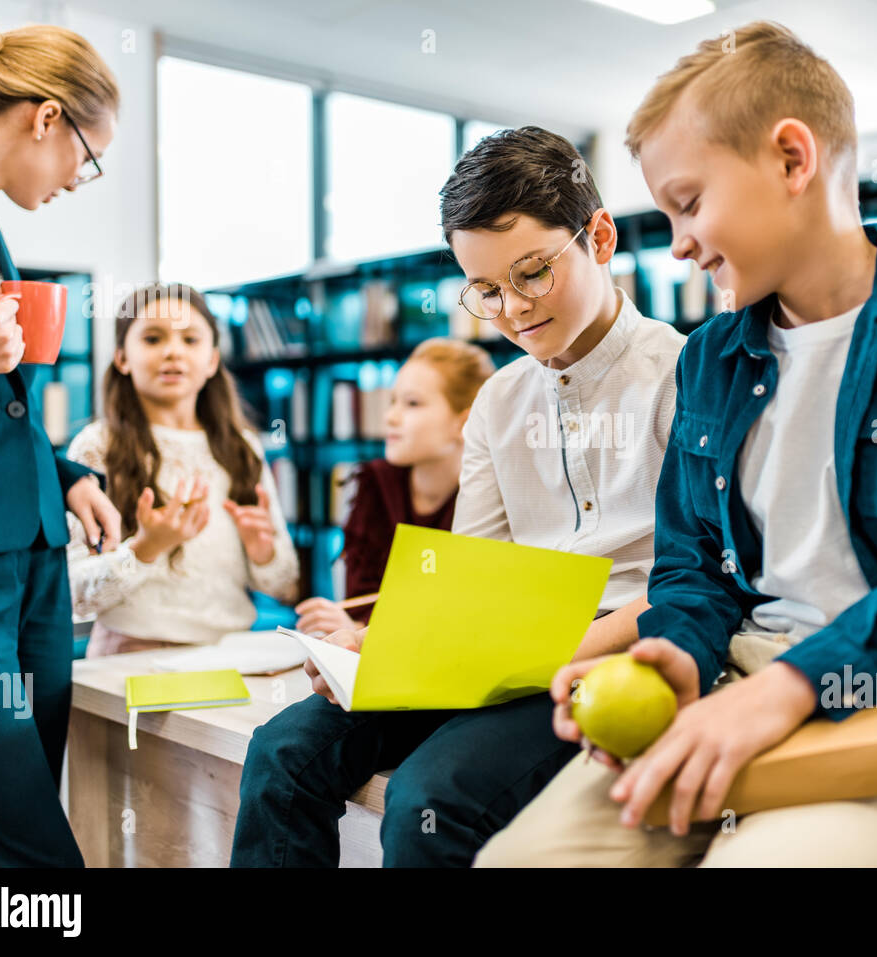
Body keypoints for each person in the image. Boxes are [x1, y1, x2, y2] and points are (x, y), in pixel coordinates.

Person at [476, 21, 877, 867]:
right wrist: (675, 653)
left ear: (791, 159)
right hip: (738, 681)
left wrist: (794, 685)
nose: (677, 242)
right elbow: (692, 570)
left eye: (689, 202)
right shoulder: (711, 357)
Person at [231, 127, 685, 867]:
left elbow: (695, 581)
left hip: (617, 652)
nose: (511, 309)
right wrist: (379, 650)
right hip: (507, 645)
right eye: (486, 291)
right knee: (281, 751)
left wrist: (545, 654)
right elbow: (470, 574)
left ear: (599, 237)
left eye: (533, 273)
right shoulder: (499, 401)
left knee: (430, 799)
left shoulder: (684, 376)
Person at [0, 19, 121, 866]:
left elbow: (1, 408)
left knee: (9, 833)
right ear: (46, 117)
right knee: (27, 853)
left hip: (33, 556)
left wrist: (69, 473)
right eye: (88, 154)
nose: (82, 180)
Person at [66, 283, 299, 655]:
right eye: (154, 338)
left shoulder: (243, 447)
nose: (173, 351)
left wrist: (263, 553)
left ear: (212, 360)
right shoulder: (96, 446)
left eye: (190, 340)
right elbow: (72, 592)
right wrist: (145, 549)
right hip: (131, 655)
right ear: (122, 358)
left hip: (232, 656)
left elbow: (284, 583)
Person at [292, 338, 496, 638]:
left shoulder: (490, 497)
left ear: (464, 423)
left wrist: (362, 630)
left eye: (412, 403)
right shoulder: (373, 482)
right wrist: (355, 627)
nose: (390, 417)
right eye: (393, 401)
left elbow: (471, 617)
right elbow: (359, 598)